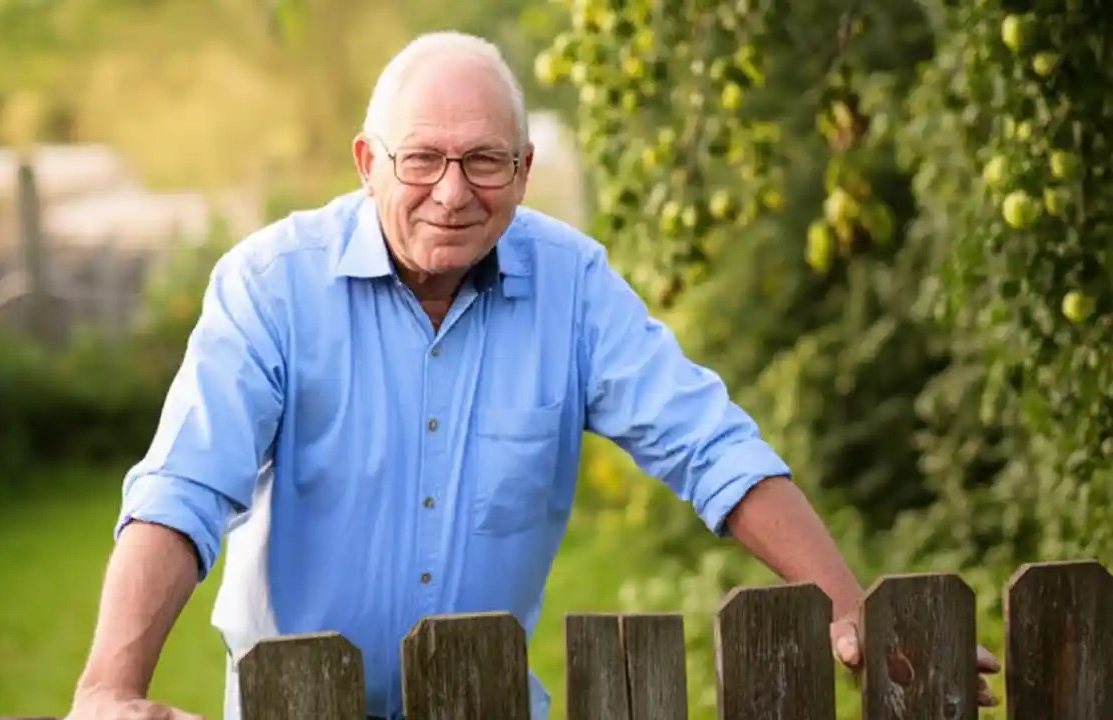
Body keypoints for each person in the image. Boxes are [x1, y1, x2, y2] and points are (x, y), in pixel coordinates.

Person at [67, 31, 1000, 720]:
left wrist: (846, 602)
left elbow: (708, 446)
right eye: (424, 158)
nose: (454, 190)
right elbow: (185, 489)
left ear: (523, 167)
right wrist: (110, 687)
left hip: (490, 706)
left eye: (484, 160)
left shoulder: (574, 285)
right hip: (296, 706)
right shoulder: (270, 286)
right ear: (368, 163)